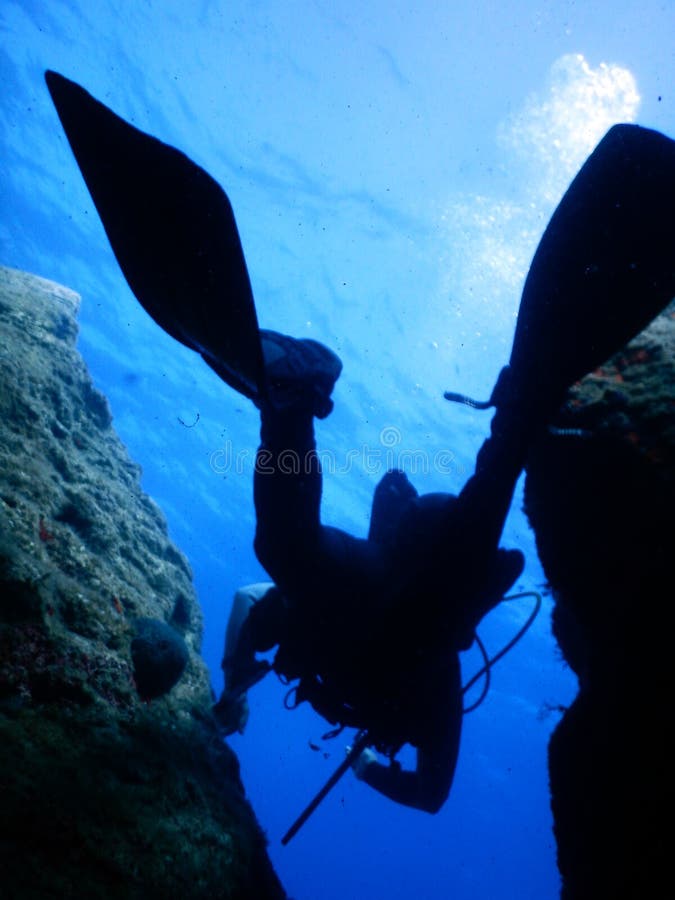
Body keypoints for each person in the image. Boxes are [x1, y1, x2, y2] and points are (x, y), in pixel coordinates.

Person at [213, 330, 526, 812]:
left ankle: (294, 401)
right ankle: (291, 405)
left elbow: (248, 598)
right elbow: (430, 794)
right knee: (287, 550)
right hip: (400, 615)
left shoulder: (438, 665)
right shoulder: (440, 683)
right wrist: (368, 770)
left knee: (287, 549)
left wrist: (234, 686)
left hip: (378, 593)